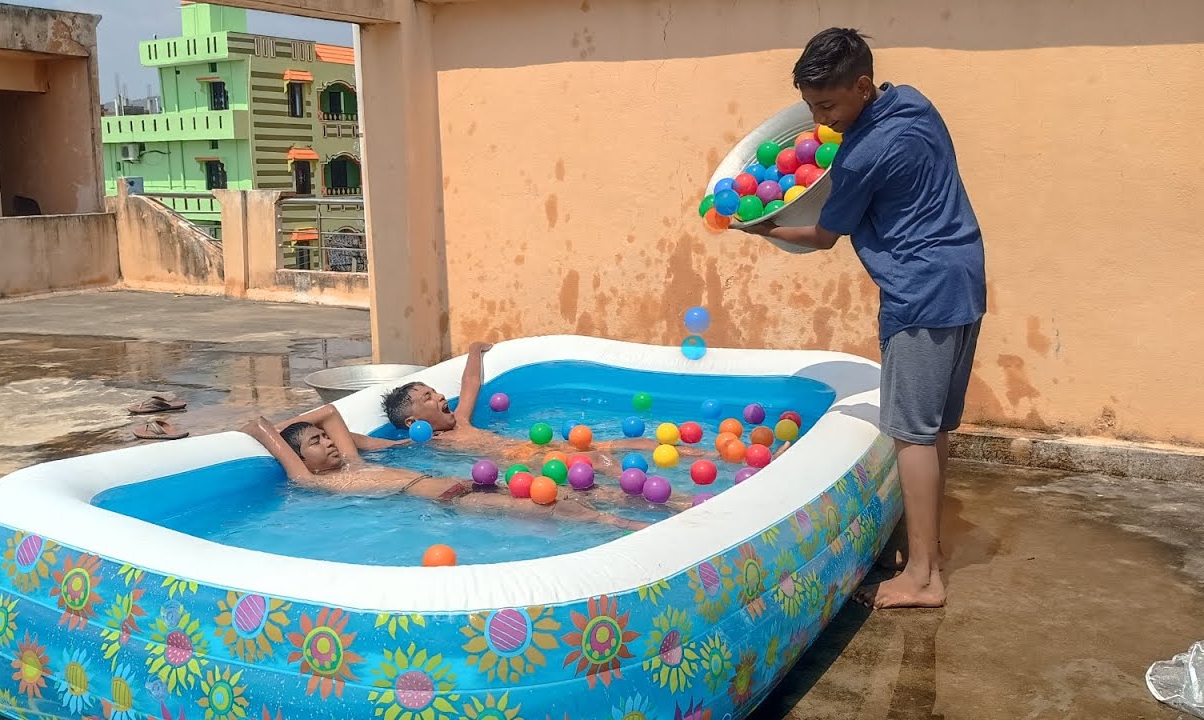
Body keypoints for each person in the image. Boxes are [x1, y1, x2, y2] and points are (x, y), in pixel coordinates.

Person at [738, 28, 986, 609]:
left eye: (827, 105)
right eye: (809, 106)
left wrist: (765, 229)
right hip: (963, 277)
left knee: (912, 434)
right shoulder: (917, 104)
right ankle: (929, 551)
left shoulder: (862, 154)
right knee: (933, 428)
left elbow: (823, 236)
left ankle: (924, 577)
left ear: (863, 86)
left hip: (919, 293)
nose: (819, 120)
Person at [241, 407, 649, 531]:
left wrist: (304, 429)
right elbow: (258, 427)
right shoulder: (318, 482)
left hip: (467, 484)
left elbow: (331, 413)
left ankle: (667, 506)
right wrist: (272, 432)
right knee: (556, 508)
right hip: (454, 499)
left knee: (576, 493)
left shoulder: (354, 463)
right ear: (300, 458)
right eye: (315, 443)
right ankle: (634, 528)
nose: (328, 441)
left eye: (324, 438)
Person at [380, 341, 695, 473]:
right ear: (412, 422)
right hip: (522, 463)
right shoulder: (431, 441)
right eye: (427, 399)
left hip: (534, 447)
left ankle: (709, 454)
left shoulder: (460, 420)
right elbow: (372, 444)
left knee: (639, 442)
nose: (438, 397)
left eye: (434, 391)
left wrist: (474, 349)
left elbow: (471, 383)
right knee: (599, 460)